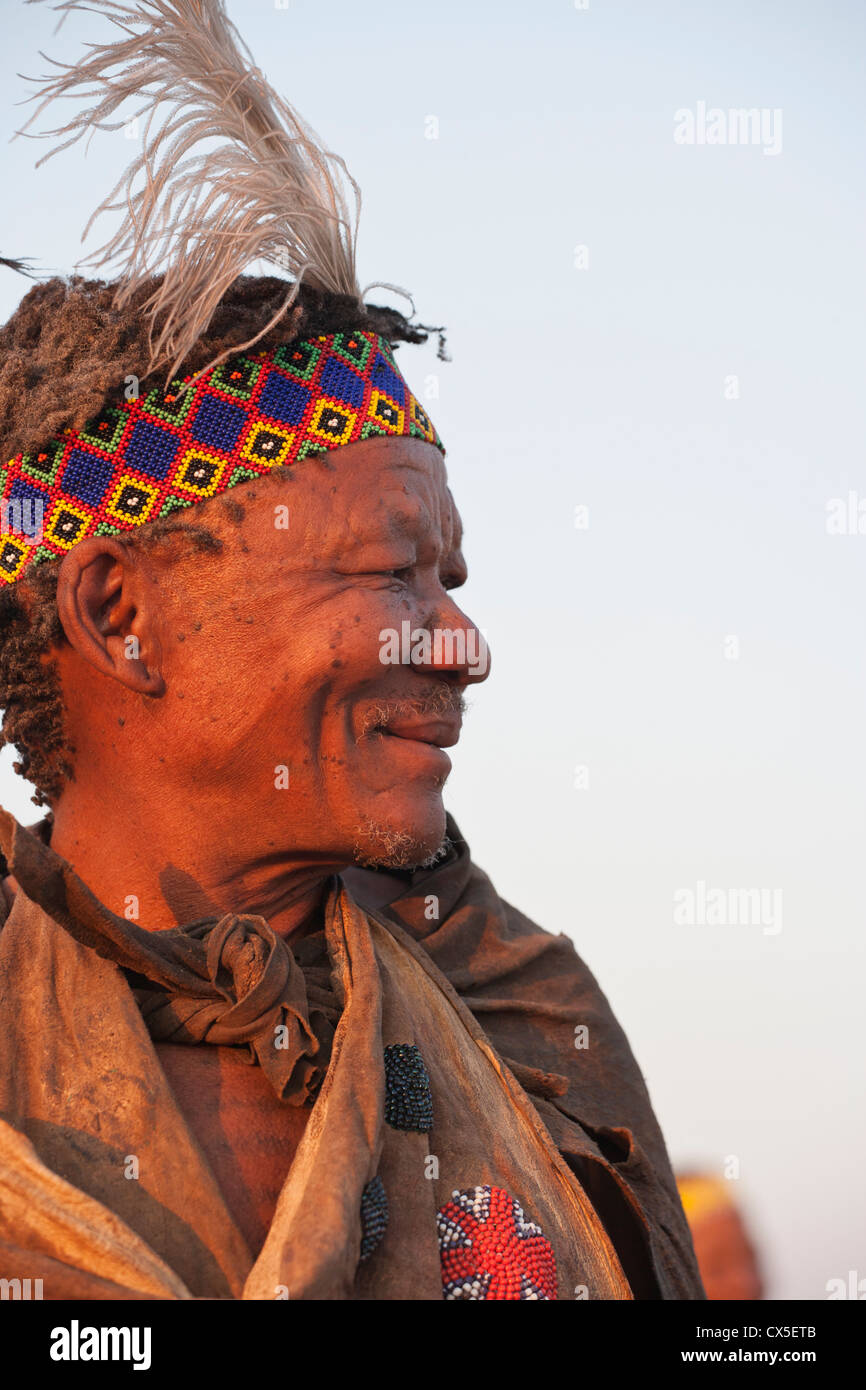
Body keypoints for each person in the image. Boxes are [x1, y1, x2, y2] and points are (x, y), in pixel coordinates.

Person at [0, 0, 703, 1301]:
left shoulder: (528, 1035)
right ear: (118, 615)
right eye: (391, 570)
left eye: (450, 576)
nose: (465, 645)